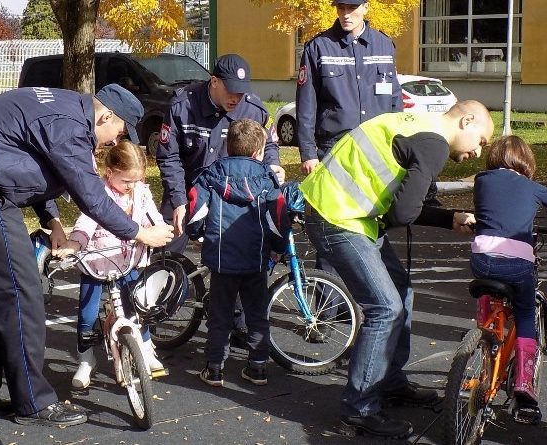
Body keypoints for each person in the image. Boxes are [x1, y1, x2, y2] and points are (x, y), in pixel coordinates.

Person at [0, 84, 174, 427]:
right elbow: (91, 195)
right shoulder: (69, 126)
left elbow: (29, 155)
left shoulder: (65, 108)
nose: (115, 142)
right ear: (106, 115)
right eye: (118, 133)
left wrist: (53, 220)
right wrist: (140, 232)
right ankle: (33, 402)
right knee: (21, 296)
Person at [300, 100, 494, 439]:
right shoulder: (433, 144)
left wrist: (450, 218)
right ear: (467, 121)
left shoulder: (418, 124)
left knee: (400, 290)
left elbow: (406, 205)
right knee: (385, 307)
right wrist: (394, 218)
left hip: (345, 213)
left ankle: (389, 381)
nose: (479, 152)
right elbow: (405, 212)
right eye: (481, 140)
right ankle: (358, 409)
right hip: (338, 217)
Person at [156, 53, 285, 342]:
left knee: (242, 255)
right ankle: (153, 311)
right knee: (167, 249)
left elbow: (269, 141)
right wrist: (178, 200)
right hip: (187, 187)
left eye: (242, 91)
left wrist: (273, 164)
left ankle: (236, 322)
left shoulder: (251, 107)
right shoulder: (183, 105)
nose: (236, 98)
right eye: (230, 91)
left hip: (230, 194)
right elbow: (169, 157)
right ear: (214, 82)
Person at [470, 135, 547, 423]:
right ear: (526, 163)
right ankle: (523, 382)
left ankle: (484, 333)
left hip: (481, 261)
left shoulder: (482, 181)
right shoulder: (530, 187)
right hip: (517, 266)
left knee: (488, 287)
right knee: (525, 310)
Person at [186, 119, 291, 387]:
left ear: (227, 146)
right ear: (258, 151)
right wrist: (279, 249)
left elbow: (195, 212)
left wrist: (197, 234)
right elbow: (278, 219)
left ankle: (214, 368)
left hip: (221, 260)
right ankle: (257, 366)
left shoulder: (211, 175)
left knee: (220, 315)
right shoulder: (267, 179)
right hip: (255, 261)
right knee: (257, 315)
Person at [55, 140, 167, 389]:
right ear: (110, 173)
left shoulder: (141, 193)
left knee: (138, 307)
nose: (131, 186)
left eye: (136, 180)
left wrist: (160, 229)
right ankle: (86, 360)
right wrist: (75, 244)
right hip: (97, 263)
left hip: (128, 262)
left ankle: (145, 347)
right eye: (126, 181)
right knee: (87, 315)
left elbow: (152, 218)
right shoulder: (99, 195)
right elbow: (85, 224)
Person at [296, 0, 402, 173]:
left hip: (378, 146)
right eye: (341, 8)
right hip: (335, 147)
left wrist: (399, 142)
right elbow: (306, 105)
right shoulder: (318, 47)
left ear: (366, 8)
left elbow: (395, 99)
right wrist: (308, 153)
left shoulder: (384, 45)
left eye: (352, 8)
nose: (346, 14)